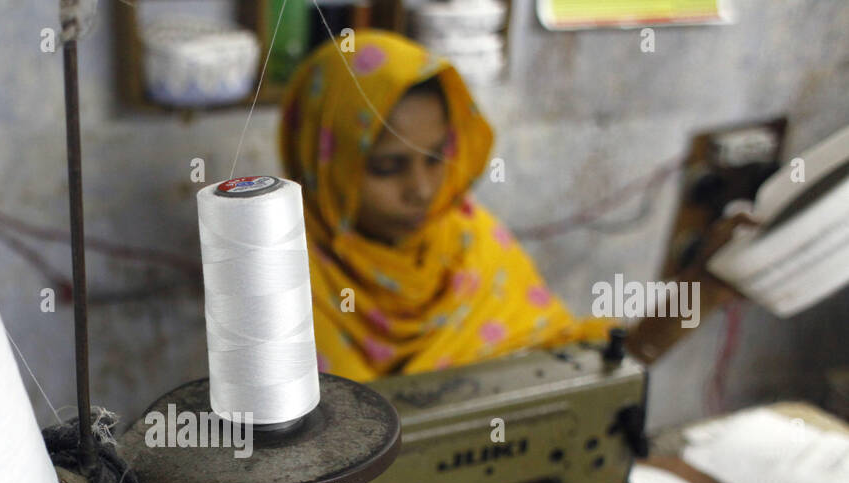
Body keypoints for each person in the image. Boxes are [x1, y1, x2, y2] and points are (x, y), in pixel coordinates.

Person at [277, 30, 739, 380]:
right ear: (324, 168)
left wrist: (703, 287)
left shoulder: (468, 241)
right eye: (387, 167)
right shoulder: (287, 285)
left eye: (436, 158)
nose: (421, 189)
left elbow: (582, 375)